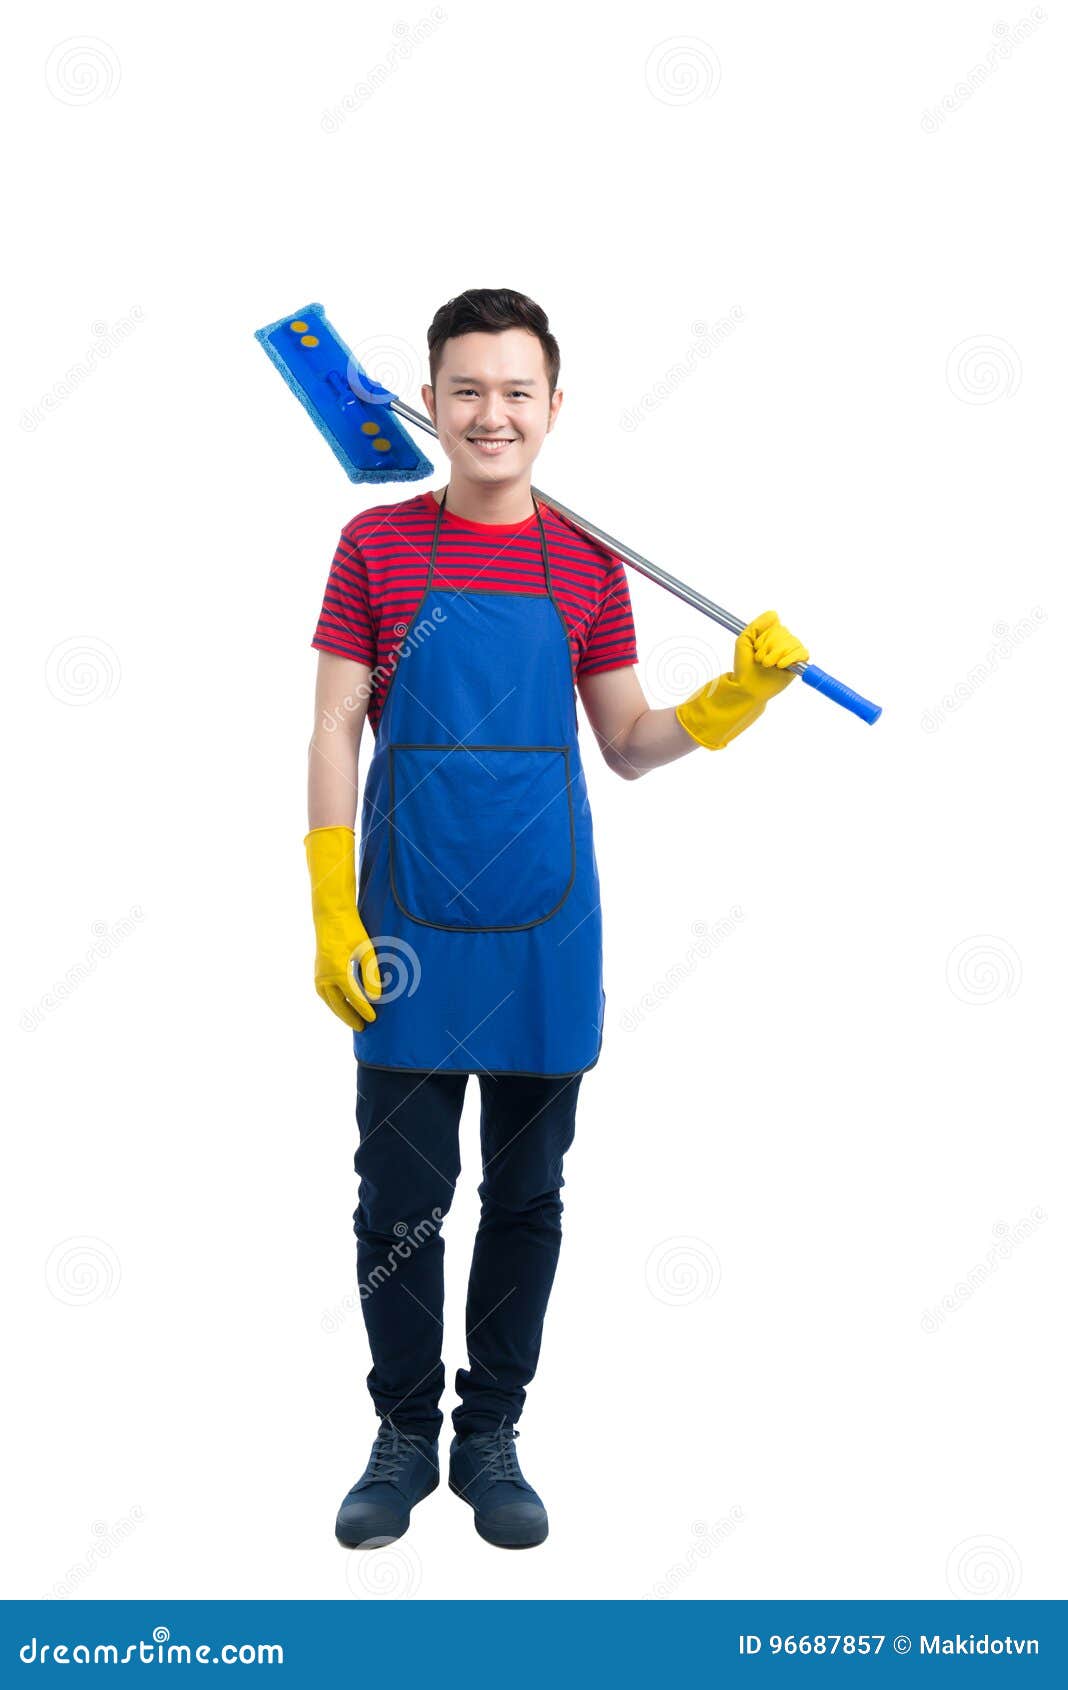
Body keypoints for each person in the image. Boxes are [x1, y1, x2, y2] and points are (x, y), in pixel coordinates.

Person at [305, 288, 808, 1552]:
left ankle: (492, 1437)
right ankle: (403, 1434)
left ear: (553, 408)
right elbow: (331, 727)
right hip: (407, 922)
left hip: (546, 928)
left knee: (528, 1197)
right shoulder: (375, 548)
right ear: (427, 402)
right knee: (398, 1203)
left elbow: (630, 744)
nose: (491, 412)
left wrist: (733, 696)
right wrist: (325, 902)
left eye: (515, 390)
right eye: (466, 388)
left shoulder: (589, 567)